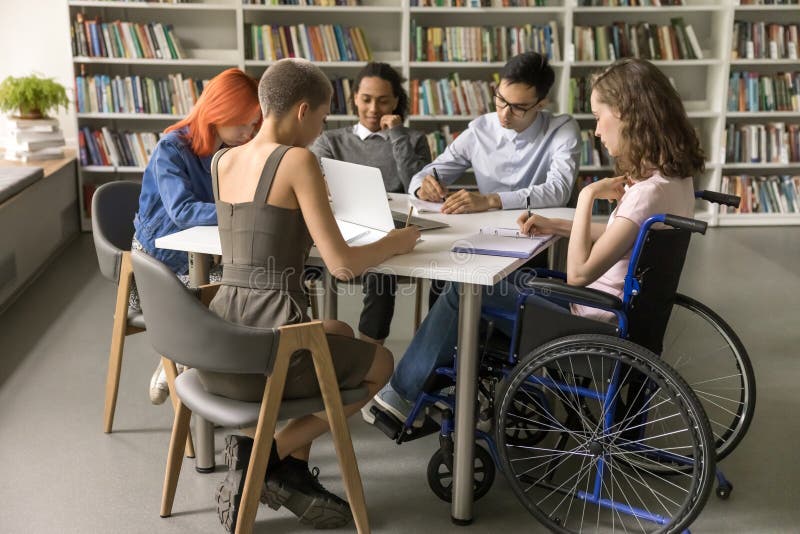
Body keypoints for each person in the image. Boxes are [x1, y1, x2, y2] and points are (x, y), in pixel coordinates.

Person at [369, 57, 703, 425]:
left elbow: (578, 274)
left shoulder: (643, 193)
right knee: (502, 282)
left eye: (598, 117)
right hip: (618, 314)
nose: (596, 131)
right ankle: (446, 390)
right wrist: (556, 225)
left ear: (626, 115)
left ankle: (402, 395)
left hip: (590, 321)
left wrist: (587, 196)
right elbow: (625, 236)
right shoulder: (673, 181)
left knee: (465, 290)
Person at [204, 58, 420, 531]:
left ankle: (294, 475)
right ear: (303, 111)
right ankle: (264, 458)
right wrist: (398, 241)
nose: (322, 128)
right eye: (322, 118)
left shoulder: (223, 159)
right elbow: (342, 266)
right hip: (271, 346)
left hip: (220, 342)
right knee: (381, 363)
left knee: (338, 330)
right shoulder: (298, 160)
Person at [131, 68, 261, 405]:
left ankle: (198, 371)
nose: (250, 132)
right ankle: (181, 363)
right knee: (234, 291)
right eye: (244, 123)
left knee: (248, 287)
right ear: (220, 112)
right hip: (158, 263)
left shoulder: (229, 149)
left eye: (254, 124)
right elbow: (184, 211)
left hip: (202, 255)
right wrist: (243, 209)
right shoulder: (171, 148)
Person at [410, 51, 581, 307]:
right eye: (501, 100)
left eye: (518, 107)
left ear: (541, 104)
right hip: (481, 237)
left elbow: (559, 190)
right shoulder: (480, 129)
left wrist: (491, 200)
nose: (504, 114)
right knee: (443, 276)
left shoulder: (562, 129)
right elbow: (427, 174)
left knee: (493, 290)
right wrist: (422, 188)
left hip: (533, 240)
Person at [309, 62, 431, 345]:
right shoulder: (330, 140)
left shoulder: (413, 139)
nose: (374, 109)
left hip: (393, 231)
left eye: (383, 100)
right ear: (354, 98)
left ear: (396, 102)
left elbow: (416, 187)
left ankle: (370, 349)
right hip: (343, 229)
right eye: (366, 99)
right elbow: (318, 187)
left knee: (382, 266)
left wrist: (397, 134)